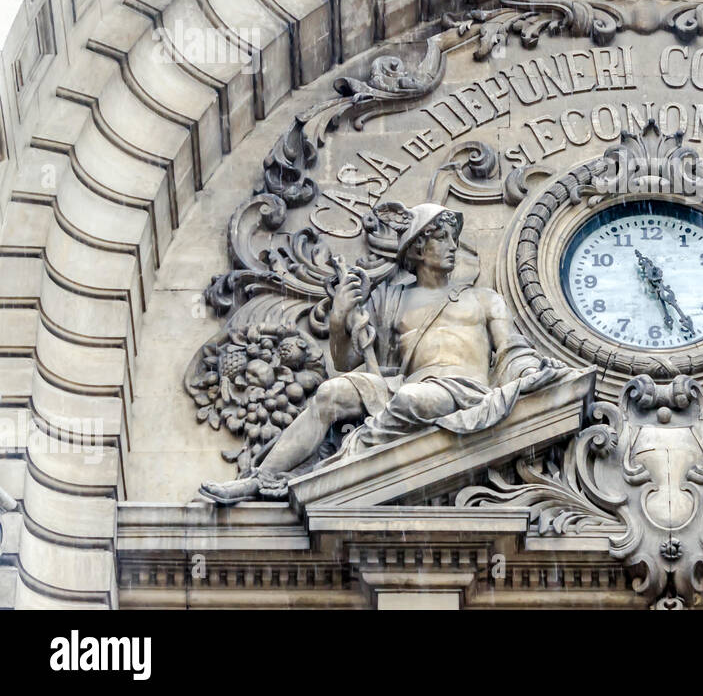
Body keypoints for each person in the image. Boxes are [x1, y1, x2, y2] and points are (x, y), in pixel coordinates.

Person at [200, 203, 576, 504]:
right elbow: (347, 364)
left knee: (413, 398)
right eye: (441, 238)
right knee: (332, 393)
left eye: (452, 239)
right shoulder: (391, 299)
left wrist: (529, 375)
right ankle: (261, 478)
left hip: (464, 390)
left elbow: (511, 351)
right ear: (417, 249)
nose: (451, 246)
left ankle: (331, 470)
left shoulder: (483, 298)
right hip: (403, 386)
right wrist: (339, 317)